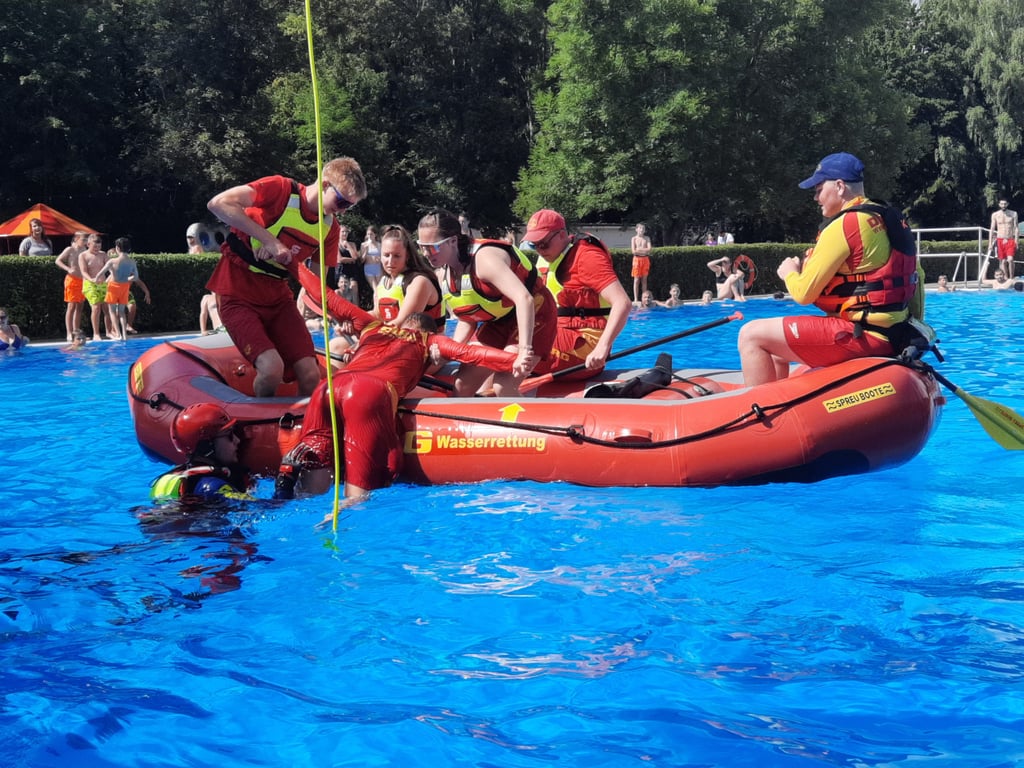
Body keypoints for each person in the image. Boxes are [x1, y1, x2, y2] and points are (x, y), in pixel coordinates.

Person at [274, 269, 529, 501]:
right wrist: (516, 359)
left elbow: (327, 297)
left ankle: (298, 499)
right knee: (358, 497)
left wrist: (294, 264)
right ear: (430, 331)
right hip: (368, 393)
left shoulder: (372, 326)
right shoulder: (430, 341)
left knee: (311, 486)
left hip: (329, 387)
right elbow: (474, 354)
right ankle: (343, 511)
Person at [737, 152, 929, 386]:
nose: (816, 198)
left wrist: (789, 272)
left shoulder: (844, 225)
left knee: (750, 335)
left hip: (861, 335)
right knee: (776, 349)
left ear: (839, 186)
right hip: (896, 335)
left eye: (819, 189)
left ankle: (756, 408)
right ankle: (778, 402)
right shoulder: (891, 219)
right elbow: (917, 278)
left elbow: (803, 294)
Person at [205, 156, 367, 397]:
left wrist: (340, 316)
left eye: (349, 206)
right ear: (325, 185)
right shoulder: (280, 189)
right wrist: (269, 241)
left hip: (277, 299)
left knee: (310, 374)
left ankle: (304, 420)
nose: (342, 210)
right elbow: (218, 204)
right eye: (341, 201)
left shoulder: (330, 229)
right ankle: (262, 416)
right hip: (236, 292)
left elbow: (316, 285)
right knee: (271, 369)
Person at [417, 208, 557, 396]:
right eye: (421, 246)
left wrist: (525, 349)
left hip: (536, 312)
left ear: (453, 241)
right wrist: (447, 353)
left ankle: (526, 414)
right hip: (499, 321)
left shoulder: (485, 260)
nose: (426, 253)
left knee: (503, 385)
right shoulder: (444, 274)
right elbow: (467, 319)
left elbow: (524, 299)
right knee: (462, 385)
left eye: (432, 247)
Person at [522, 209, 631, 379]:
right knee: (495, 335)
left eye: (543, 244)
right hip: (557, 333)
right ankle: (489, 391)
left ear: (561, 235)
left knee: (519, 341)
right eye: (534, 245)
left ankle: (505, 391)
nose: (539, 250)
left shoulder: (587, 257)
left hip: (586, 347)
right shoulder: (548, 256)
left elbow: (622, 303)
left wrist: (602, 348)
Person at [151, 404, 252, 502]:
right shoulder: (213, 487)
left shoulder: (180, 478)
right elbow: (255, 505)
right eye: (229, 435)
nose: (237, 440)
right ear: (206, 446)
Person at [374, 224, 444, 326]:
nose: (390, 261)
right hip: (391, 334)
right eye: (386, 255)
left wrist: (370, 331)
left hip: (422, 336)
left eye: (397, 256)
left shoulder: (419, 282)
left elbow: (403, 323)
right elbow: (377, 316)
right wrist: (353, 319)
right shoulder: (383, 282)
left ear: (407, 256)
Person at [95, 237, 152, 340]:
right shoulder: (132, 262)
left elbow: (100, 273)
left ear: (117, 248)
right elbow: (135, 277)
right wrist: (126, 278)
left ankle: (118, 334)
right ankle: (124, 335)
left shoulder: (112, 261)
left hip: (113, 287)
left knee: (112, 311)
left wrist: (95, 280)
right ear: (128, 248)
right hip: (124, 287)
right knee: (121, 312)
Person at [55, 231, 87, 342]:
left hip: (82, 281)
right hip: (72, 280)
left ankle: (76, 332)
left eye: (86, 240)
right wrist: (68, 269)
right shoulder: (70, 249)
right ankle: (69, 333)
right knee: (71, 306)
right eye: (83, 239)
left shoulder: (84, 250)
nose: (85, 242)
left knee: (80, 307)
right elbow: (58, 260)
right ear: (76, 239)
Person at [78, 233, 112, 341]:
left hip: (103, 284)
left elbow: (111, 268)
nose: (97, 248)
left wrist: (109, 278)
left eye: (99, 246)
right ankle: (96, 334)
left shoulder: (103, 254)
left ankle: (109, 332)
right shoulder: (83, 256)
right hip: (90, 284)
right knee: (96, 307)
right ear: (88, 244)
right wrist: (91, 279)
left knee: (107, 308)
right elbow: (83, 272)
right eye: (94, 246)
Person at [988, 198, 1019, 279]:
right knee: (1003, 261)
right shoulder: (995, 215)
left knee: (1010, 260)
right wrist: (990, 243)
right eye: (1002, 204)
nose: (1003, 205)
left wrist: (1016, 241)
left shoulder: (1013, 214)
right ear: (999, 204)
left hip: (1010, 239)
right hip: (1000, 239)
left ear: (1007, 204)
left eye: (1005, 204)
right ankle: (1006, 278)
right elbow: (992, 229)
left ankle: (1011, 278)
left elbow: (1016, 228)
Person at [630, 223, 652, 304]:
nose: (642, 230)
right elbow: (633, 251)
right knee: (636, 280)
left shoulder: (647, 238)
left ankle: (644, 298)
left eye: (643, 228)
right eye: (640, 228)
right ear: (636, 229)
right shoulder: (634, 239)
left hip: (645, 259)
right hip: (637, 259)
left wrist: (639, 249)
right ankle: (635, 298)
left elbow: (649, 249)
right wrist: (644, 250)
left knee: (644, 280)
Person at [360, 225, 383, 293]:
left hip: (378, 268)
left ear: (375, 235)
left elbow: (383, 257)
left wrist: (380, 259)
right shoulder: (363, 245)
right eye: (368, 234)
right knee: (375, 289)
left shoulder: (379, 245)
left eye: (371, 234)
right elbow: (362, 260)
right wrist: (366, 250)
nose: (369, 236)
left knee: (380, 289)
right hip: (369, 268)